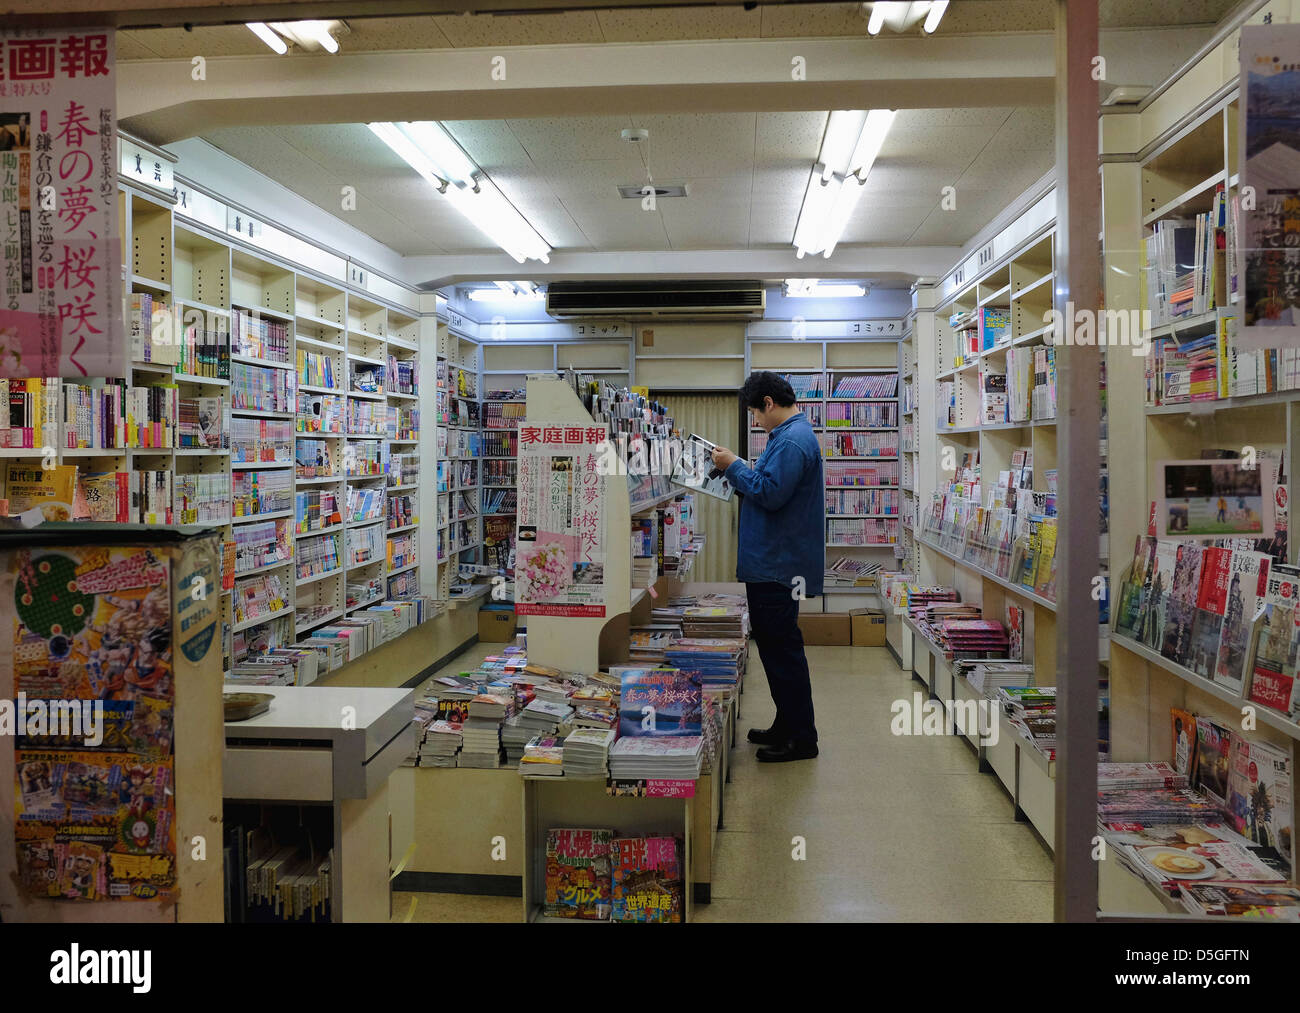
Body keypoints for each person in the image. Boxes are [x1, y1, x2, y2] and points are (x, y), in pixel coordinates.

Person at [709, 371, 822, 763]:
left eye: (755, 413)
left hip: (778, 564)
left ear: (769, 403)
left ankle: (802, 738)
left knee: (782, 650)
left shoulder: (791, 441)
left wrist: (733, 466)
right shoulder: (789, 437)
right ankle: (787, 724)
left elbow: (770, 494)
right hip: (774, 562)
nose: (756, 421)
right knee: (777, 650)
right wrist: (737, 469)